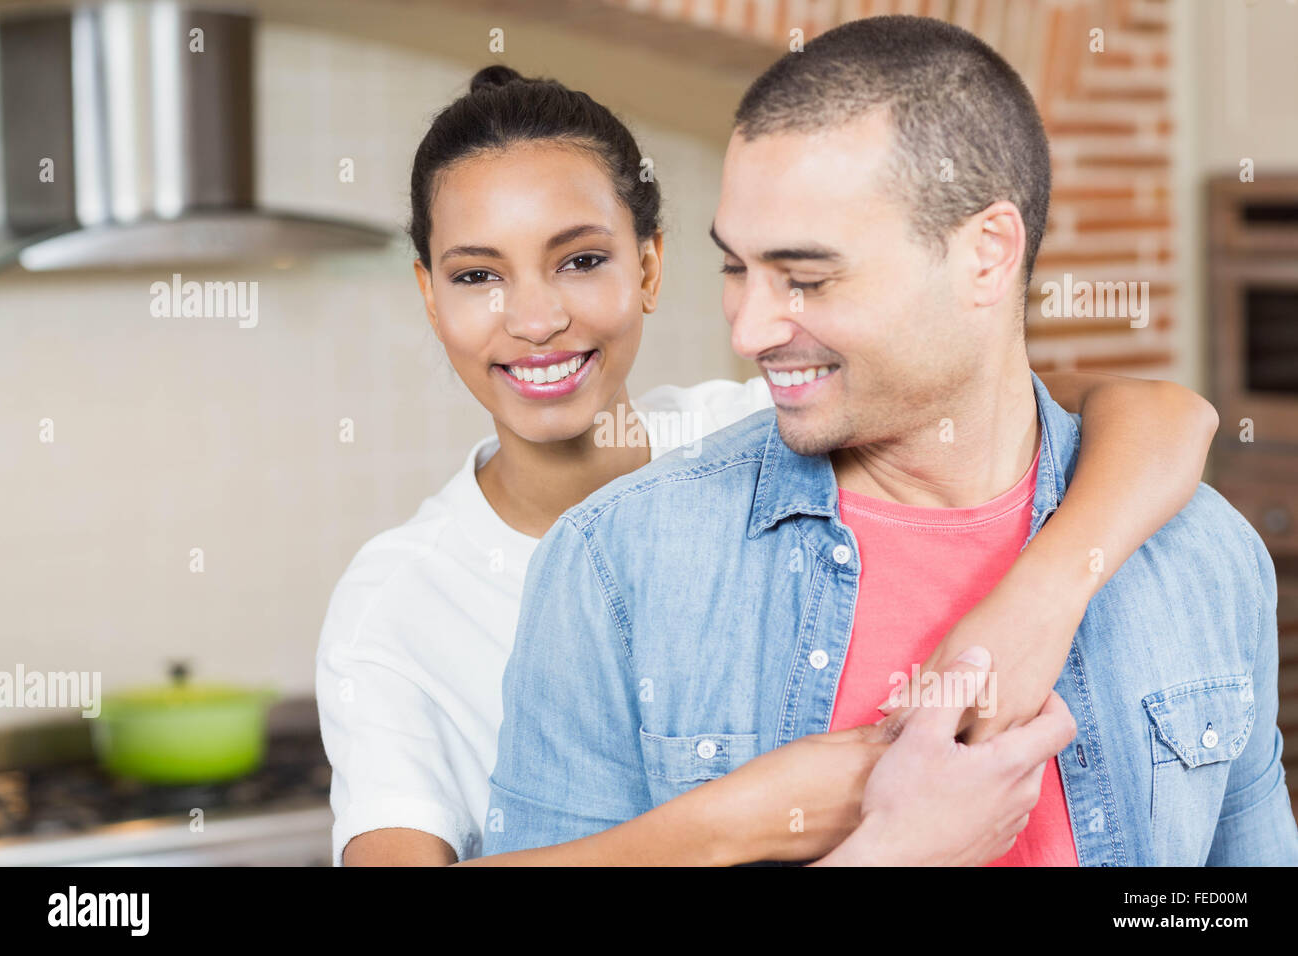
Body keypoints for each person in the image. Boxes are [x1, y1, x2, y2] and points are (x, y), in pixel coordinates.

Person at [318, 60, 1218, 867]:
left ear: (650, 267)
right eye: (477, 276)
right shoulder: (399, 602)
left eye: (581, 260)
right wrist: (744, 818)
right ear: (428, 297)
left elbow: (1154, 412)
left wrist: (1036, 604)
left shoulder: (781, 422)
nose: (534, 318)